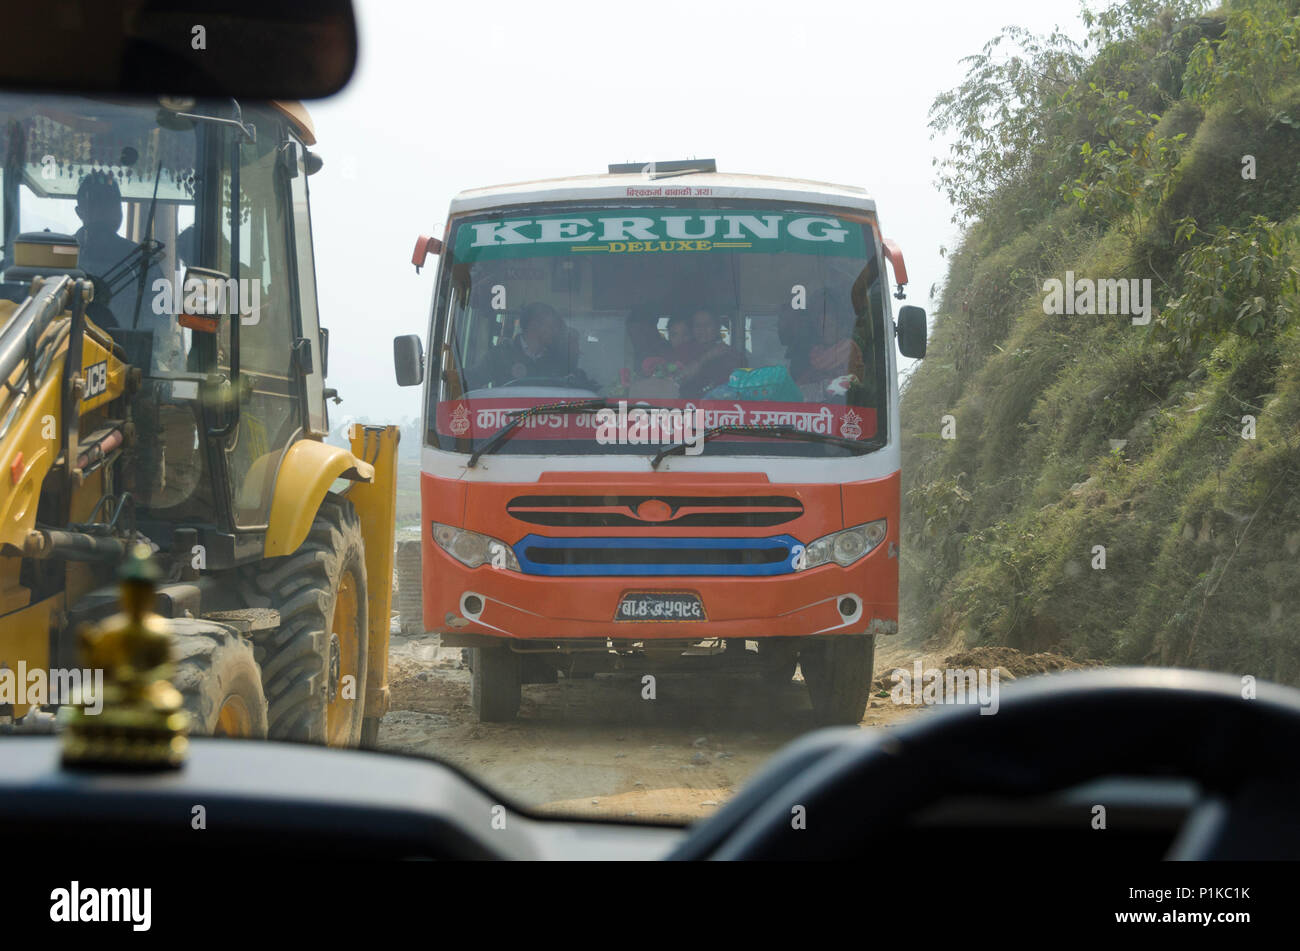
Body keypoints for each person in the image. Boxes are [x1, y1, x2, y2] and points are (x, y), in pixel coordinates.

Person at [469, 302, 570, 387]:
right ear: (534, 325)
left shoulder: (557, 360)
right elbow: (470, 381)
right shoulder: (499, 355)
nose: (555, 331)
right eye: (551, 326)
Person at [679, 308, 742, 396]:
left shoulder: (730, 354)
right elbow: (679, 378)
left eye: (707, 324)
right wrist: (708, 356)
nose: (702, 329)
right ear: (692, 329)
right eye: (698, 325)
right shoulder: (683, 350)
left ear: (717, 327)